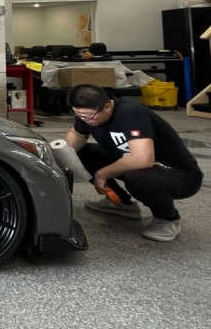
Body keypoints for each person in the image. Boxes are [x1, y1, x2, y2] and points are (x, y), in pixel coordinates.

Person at [64, 84, 203, 242]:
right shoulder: (88, 114)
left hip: (180, 175)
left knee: (138, 177)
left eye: (90, 116)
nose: (86, 121)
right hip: (133, 162)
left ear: (107, 106)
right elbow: (73, 142)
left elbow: (142, 159)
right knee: (83, 153)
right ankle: (121, 204)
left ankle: (167, 218)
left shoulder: (131, 113)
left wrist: (102, 174)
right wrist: (58, 161)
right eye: (80, 116)